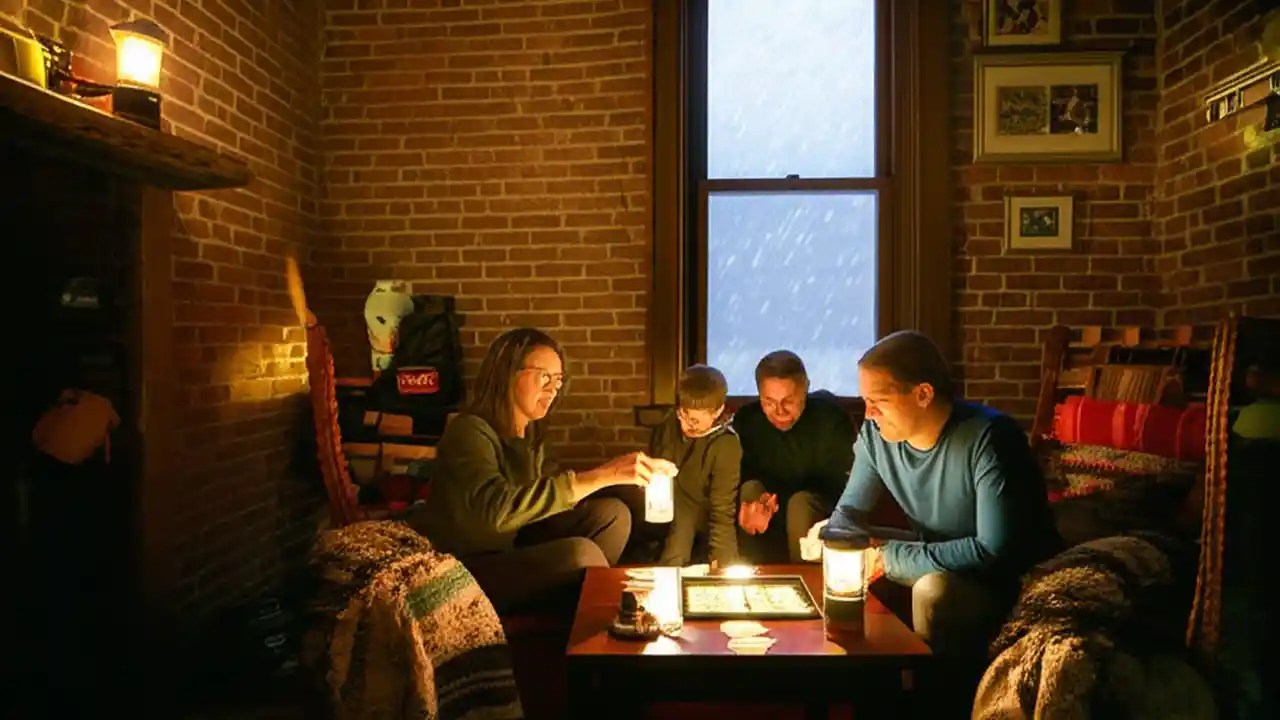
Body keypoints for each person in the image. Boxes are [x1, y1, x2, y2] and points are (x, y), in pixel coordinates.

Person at [812, 330, 1061, 657]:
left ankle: (935, 695)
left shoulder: (990, 439)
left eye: (879, 402)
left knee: (933, 590)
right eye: (865, 402)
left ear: (923, 394)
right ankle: (864, 679)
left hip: (1006, 579)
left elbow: (994, 551)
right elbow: (850, 514)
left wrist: (889, 558)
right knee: (848, 551)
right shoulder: (877, 438)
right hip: (942, 549)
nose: (869, 414)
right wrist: (833, 536)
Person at [409, 327, 677, 614]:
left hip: (514, 544)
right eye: (544, 376)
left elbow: (545, 500)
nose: (553, 388)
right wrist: (603, 475)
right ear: (508, 373)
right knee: (580, 554)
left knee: (612, 515)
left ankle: (573, 609)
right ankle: (590, 618)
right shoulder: (469, 431)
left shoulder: (531, 435)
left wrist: (616, 483)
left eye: (558, 380)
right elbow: (495, 515)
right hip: (467, 567)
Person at [733, 350, 855, 563]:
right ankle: (751, 577)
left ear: (806, 389)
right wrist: (756, 502)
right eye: (769, 402)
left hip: (817, 511)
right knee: (749, 491)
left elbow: (844, 486)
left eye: (788, 401)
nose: (779, 411)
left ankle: (807, 583)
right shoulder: (746, 420)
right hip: (769, 511)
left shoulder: (831, 420)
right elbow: (740, 473)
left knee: (800, 505)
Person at [648, 364, 741, 568]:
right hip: (667, 508)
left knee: (685, 519)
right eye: (683, 415)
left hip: (704, 513)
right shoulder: (668, 427)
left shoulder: (726, 445)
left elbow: (722, 509)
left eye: (696, 420)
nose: (688, 424)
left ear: (717, 412)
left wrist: (721, 564)